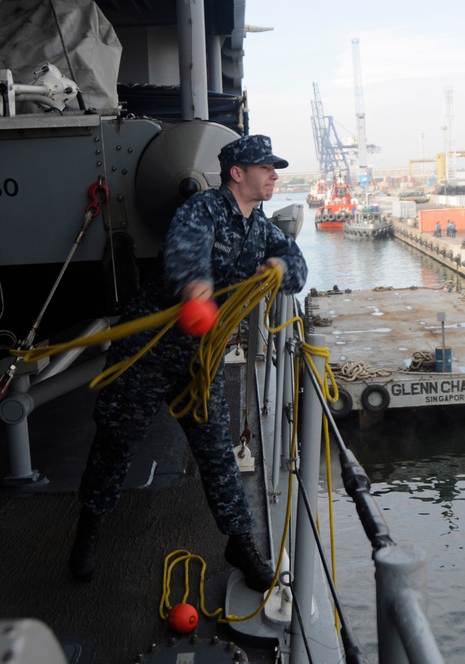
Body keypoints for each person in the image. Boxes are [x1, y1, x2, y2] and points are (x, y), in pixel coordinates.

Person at [69, 135, 308, 590]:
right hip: (149, 352)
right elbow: (185, 253)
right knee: (116, 443)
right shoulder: (203, 211)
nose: (274, 174)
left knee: (218, 453)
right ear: (237, 173)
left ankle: (239, 541)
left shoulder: (259, 227)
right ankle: (88, 529)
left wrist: (278, 265)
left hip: (200, 362)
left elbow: (297, 267)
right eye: (266, 167)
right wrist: (195, 286)